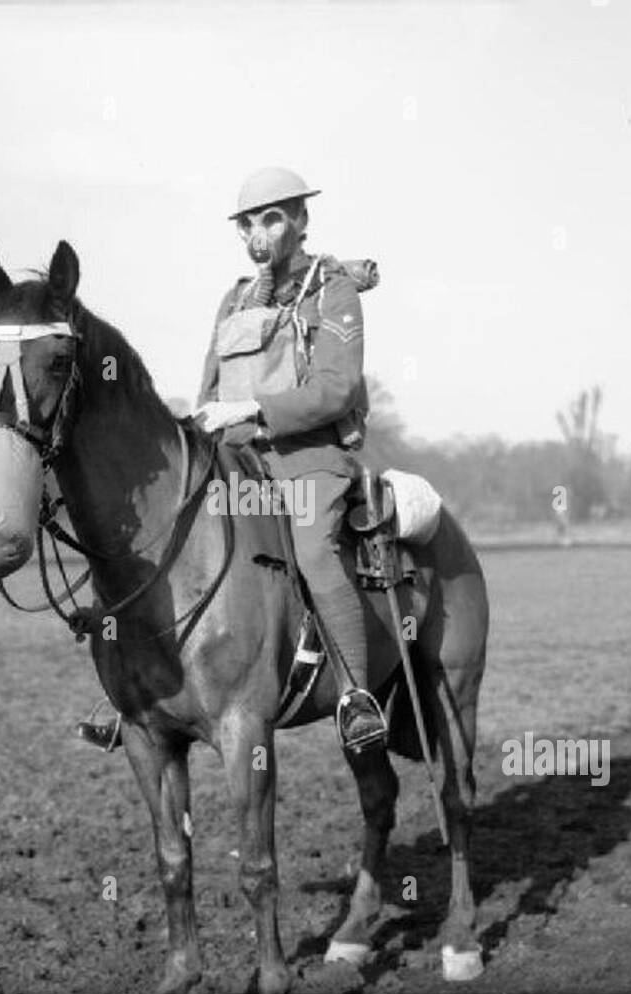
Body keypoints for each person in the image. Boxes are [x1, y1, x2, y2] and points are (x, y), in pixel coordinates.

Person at [193, 167, 386, 753]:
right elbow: (209, 389)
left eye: (273, 218)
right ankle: (143, 685)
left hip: (309, 457)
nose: (260, 232)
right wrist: (208, 421)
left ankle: (355, 696)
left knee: (313, 550)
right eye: (249, 222)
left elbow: (337, 390)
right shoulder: (234, 299)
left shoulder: (334, 291)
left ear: (300, 221)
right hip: (238, 457)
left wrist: (251, 407)